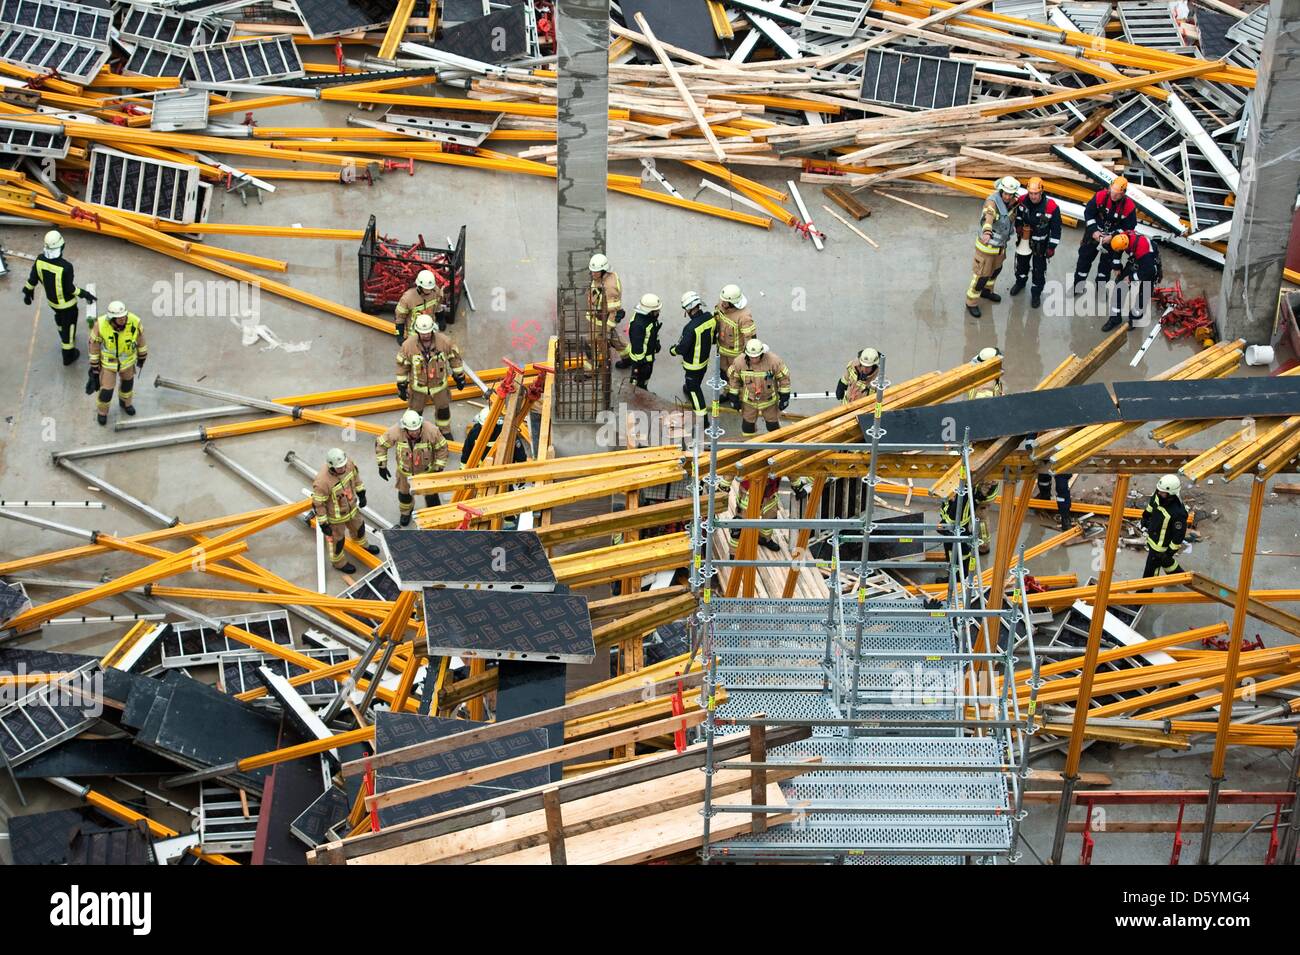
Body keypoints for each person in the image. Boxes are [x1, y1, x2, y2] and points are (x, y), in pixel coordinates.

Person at [22, 230, 96, 365]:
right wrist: (85, 294)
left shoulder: (39, 260)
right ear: (61, 247)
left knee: (60, 320)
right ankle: (68, 355)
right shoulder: (66, 267)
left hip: (52, 303)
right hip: (67, 306)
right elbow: (70, 289)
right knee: (70, 327)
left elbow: (33, 279)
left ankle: (63, 332)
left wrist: (27, 291)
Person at [396, 313, 465, 438]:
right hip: (418, 388)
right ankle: (414, 431)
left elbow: (454, 359)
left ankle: (445, 431)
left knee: (443, 411)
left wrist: (459, 376)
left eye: (428, 332)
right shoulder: (408, 346)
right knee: (415, 413)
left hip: (439, 386)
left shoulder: (444, 342)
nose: (426, 335)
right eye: (423, 333)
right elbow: (402, 365)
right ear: (417, 331)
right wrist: (401, 385)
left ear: (433, 329)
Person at [376, 409, 449, 526]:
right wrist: (382, 466)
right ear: (404, 428)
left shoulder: (431, 431)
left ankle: (435, 515)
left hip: (427, 472)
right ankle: (406, 512)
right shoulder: (395, 432)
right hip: (404, 474)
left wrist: (439, 467)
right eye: (412, 431)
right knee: (404, 496)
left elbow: (442, 447)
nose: (415, 433)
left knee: (432, 497)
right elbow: (381, 444)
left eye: (417, 429)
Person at [312, 448, 380, 574]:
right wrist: (324, 523)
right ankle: (338, 563)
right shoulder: (322, 482)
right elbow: (318, 504)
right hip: (335, 517)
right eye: (339, 468)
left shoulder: (348, 464)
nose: (342, 469)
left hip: (352, 508)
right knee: (337, 541)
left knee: (359, 528)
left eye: (343, 466)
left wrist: (361, 493)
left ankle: (362, 545)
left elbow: (356, 479)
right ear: (331, 467)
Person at [965, 176, 1019, 319]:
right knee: (982, 275)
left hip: (1000, 247)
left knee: (996, 270)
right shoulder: (992, 202)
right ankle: (971, 302)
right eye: (1005, 193)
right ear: (1001, 190)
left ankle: (986, 292)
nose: (1007, 196)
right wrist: (987, 232)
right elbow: (988, 217)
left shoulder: (1013, 202)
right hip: (986, 247)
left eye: (1010, 194)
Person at [87, 301, 147, 426]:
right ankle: (102, 412)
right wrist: (94, 367)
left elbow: (141, 341)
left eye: (124, 316)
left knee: (127, 386)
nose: (122, 319)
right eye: (119, 318)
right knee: (106, 391)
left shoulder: (134, 322)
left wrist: (142, 356)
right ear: (111, 318)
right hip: (108, 365)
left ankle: (126, 404)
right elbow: (94, 347)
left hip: (128, 363)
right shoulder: (101, 324)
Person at [1073, 177, 1136, 294]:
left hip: (1113, 241)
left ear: (1123, 193)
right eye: (1112, 191)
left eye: (1117, 194)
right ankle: (1078, 286)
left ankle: (1101, 289)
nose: (1113, 195)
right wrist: (1093, 231)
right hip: (1093, 236)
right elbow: (1088, 213)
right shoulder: (1100, 196)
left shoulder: (1129, 207)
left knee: (1105, 267)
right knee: (1083, 261)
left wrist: (1113, 236)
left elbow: (1129, 227)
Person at [1010, 177, 1061, 309]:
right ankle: (1020, 282)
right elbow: (1019, 217)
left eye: (1036, 194)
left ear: (1041, 192)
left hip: (1041, 245)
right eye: (1031, 193)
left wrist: (1051, 247)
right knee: (1021, 265)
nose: (1033, 196)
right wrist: (1019, 227)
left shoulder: (1051, 207)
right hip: (1024, 241)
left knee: (1039, 270)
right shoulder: (1022, 201)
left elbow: (1056, 229)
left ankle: (1036, 293)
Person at [669, 291, 716, 425]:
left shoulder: (690, 328)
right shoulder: (710, 319)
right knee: (695, 382)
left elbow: (682, 348)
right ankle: (689, 388)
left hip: (693, 365)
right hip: (704, 361)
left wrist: (672, 350)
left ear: (689, 308)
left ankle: (703, 420)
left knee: (695, 390)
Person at [1101, 229, 1162, 333]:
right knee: (1120, 287)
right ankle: (1115, 319)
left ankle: (1134, 319)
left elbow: (1148, 271)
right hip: (1136, 258)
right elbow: (1117, 250)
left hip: (1150, 265)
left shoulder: (1143, 250)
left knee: (1145, 293)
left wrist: (1131, 277)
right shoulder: (1122, 237)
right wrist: (1116, 266)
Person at [726, 338, 790, 434]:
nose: (754, 359)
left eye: (757, 356)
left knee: (773, 427)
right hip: (749, 401)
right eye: (751, 357)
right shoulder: (739, 362)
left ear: (762, 353)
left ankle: (776, 445)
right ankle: (750, 447)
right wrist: (733, 396)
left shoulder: (773, 361)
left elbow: (784, 378)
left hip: (769, 401)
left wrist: (785, 397)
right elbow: (734, 379)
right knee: (747, 427)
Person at [1140, 474, 1187, 584]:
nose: (1159, 493)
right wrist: (1145, 516)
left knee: (1150, 572)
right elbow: (1151, 505)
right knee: (1166, 562)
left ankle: (1143, 595)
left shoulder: (1178, 513)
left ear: (1171, 494)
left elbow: (1178, 537)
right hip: (1152, 538)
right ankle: (1180, 578)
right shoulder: (1158, 495)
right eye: (1158, 490)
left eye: (1162, 492)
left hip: (1160, 548)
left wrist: (1169, 553)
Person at [587, 253, 631, 368]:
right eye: (592, 271)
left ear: (603, 270)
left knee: (594, 342)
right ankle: (628, 357)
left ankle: (591, 369)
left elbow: (613, 311)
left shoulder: (609, 286)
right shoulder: (601, 277)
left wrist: (607, 328)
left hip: (603, 320)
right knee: (614, 339)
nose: (593, 274)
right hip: (598, 317)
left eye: (595, 271)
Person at [461, 406, 528, 466]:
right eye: (483, 426)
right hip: (482, 469)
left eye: (488, 427)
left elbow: (520, 455)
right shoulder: (474, 433)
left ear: (495, 424)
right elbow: (466, 453)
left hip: (503, 467)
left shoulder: (505, 432)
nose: (485, 429)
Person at [729, 474, 781, 552]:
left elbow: (792, 466)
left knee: (770, 520)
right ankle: (734, 552)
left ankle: (764, 539)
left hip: (770, 493)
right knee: (738, 528)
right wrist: (724, 486)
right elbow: (730, 469)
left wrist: (797, 485)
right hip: (749, 493)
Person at [713, 283, 757, 367]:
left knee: (734, 376)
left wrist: (747, 356)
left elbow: (750, 337)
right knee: (722, 373)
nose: (723, 303)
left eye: (726, 301)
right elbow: (715, 320)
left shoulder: (744, 316)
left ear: (733, 302)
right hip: (721, 349)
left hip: (735, 355)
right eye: (723, 300)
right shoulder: (721, 306)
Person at [393, 269, 443, 342]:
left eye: (430, 289)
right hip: (413, 335)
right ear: (419, 286)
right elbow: (399, 317)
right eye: (426, 289)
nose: (429, 291)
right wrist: (399, 335)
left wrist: (441, 318)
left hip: (430, 330)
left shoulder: (435, 291)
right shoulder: (408, 298)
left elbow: (438, 305)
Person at [626, 293, 662, 390]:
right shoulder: (638, 325)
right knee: (636, 380)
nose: (658, 311)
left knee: (646, 377)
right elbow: (637, 346)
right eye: (656, 310)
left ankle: (644, 390)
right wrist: (642, 362)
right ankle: (633, 397)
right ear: (648, 311)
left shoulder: (651, 318)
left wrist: (657, 343)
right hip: (640, 361)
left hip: (648, 358)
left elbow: (653, 332)